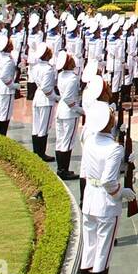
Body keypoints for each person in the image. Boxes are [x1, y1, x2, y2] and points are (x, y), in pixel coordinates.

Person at [79, 93, 136, 274]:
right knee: (102, 252)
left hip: (90, 201)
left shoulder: (89, 140)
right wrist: (124, 193)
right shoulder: (113, 149)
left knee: (89, 251)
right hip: (105, 204)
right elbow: (108, 181)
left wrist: (124, 162)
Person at [54, 50, 82, 179]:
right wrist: (80, 110)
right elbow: (69, 99)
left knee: (60, 141)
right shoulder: (72, 78)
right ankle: (64, 170)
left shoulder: (61, 75)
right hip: (70, 113)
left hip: (60, 111)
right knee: (67, 142)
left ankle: (61, 169)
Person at [30, 43, 58, 162]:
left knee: (36, 126)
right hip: (46, 99)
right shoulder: (48, 69)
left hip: (38, 97)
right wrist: (56, 98)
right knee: (43, 127)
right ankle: (41, 153)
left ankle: (37, 151)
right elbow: (47, 88)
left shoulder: (36, 67)